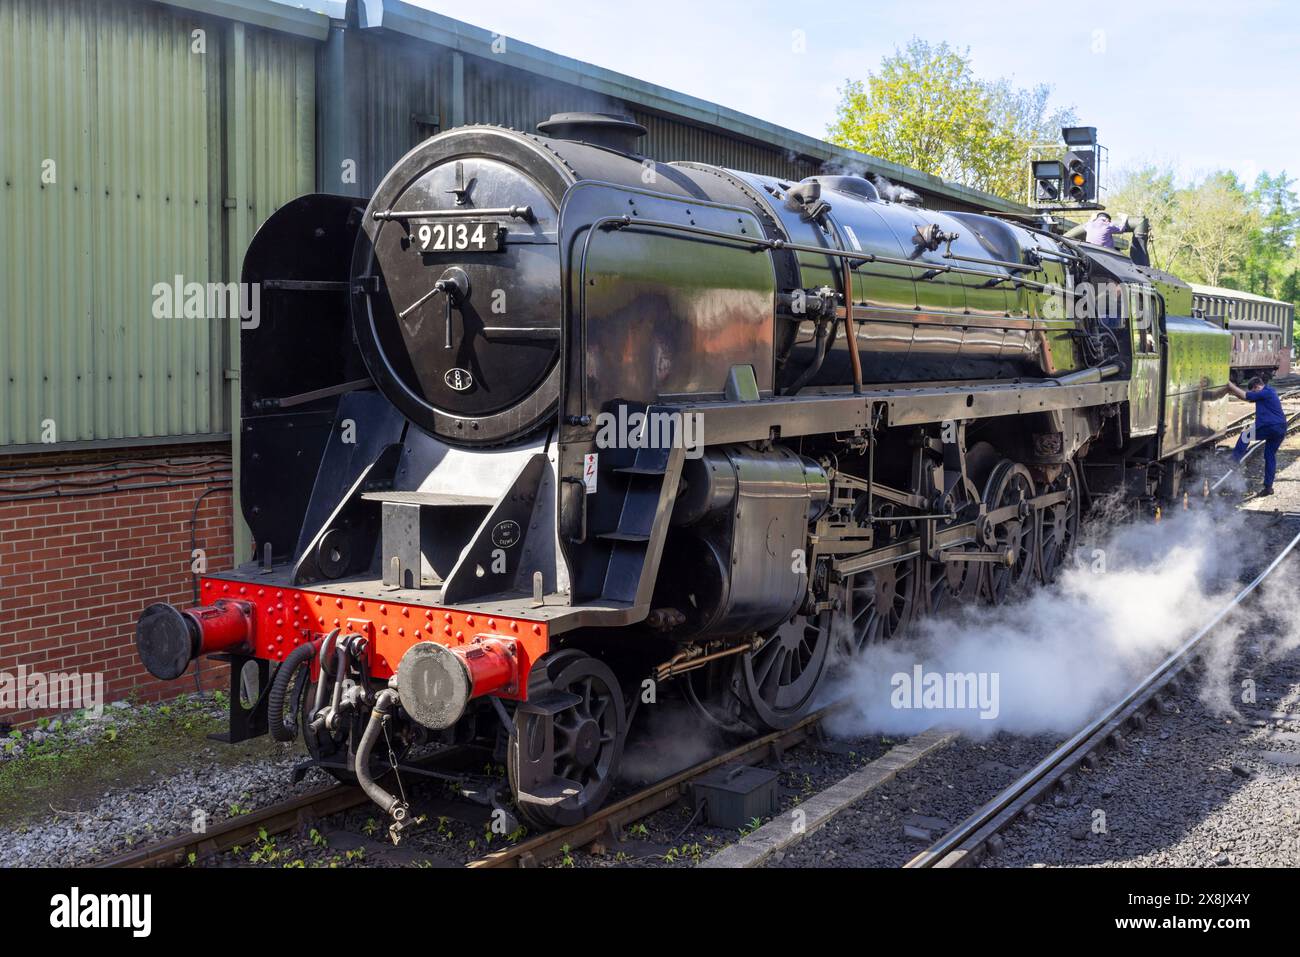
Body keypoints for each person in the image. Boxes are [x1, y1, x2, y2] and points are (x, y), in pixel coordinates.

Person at [1227, 375, 1285, 496]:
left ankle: (1234, 460)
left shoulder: (1264, 392)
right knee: (1269, 456)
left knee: (1245, 435)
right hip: (1280, 429)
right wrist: (1231, 391)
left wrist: (1229, 385)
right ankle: (1268, 487)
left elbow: (1246, 395)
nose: (1253, 393)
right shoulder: (1270, 391)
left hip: (1270, 426)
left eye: (1253, 390)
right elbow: (1246, 398)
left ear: (1257, 386)